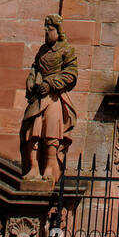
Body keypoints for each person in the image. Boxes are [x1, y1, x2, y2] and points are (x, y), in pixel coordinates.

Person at [19, 15, 79, 183]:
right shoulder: (42, 50)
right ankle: (33, 167)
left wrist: (52, 83)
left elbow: (71, 74)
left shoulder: (66, 50)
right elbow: (34, 67)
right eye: (45, 28)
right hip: (38, 97)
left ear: (58, 31)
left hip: (54, 97)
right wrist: (31, 81)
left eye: (50, 29)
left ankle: (50, 166)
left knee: (52, 131)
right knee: (33, 131)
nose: (46, 32)